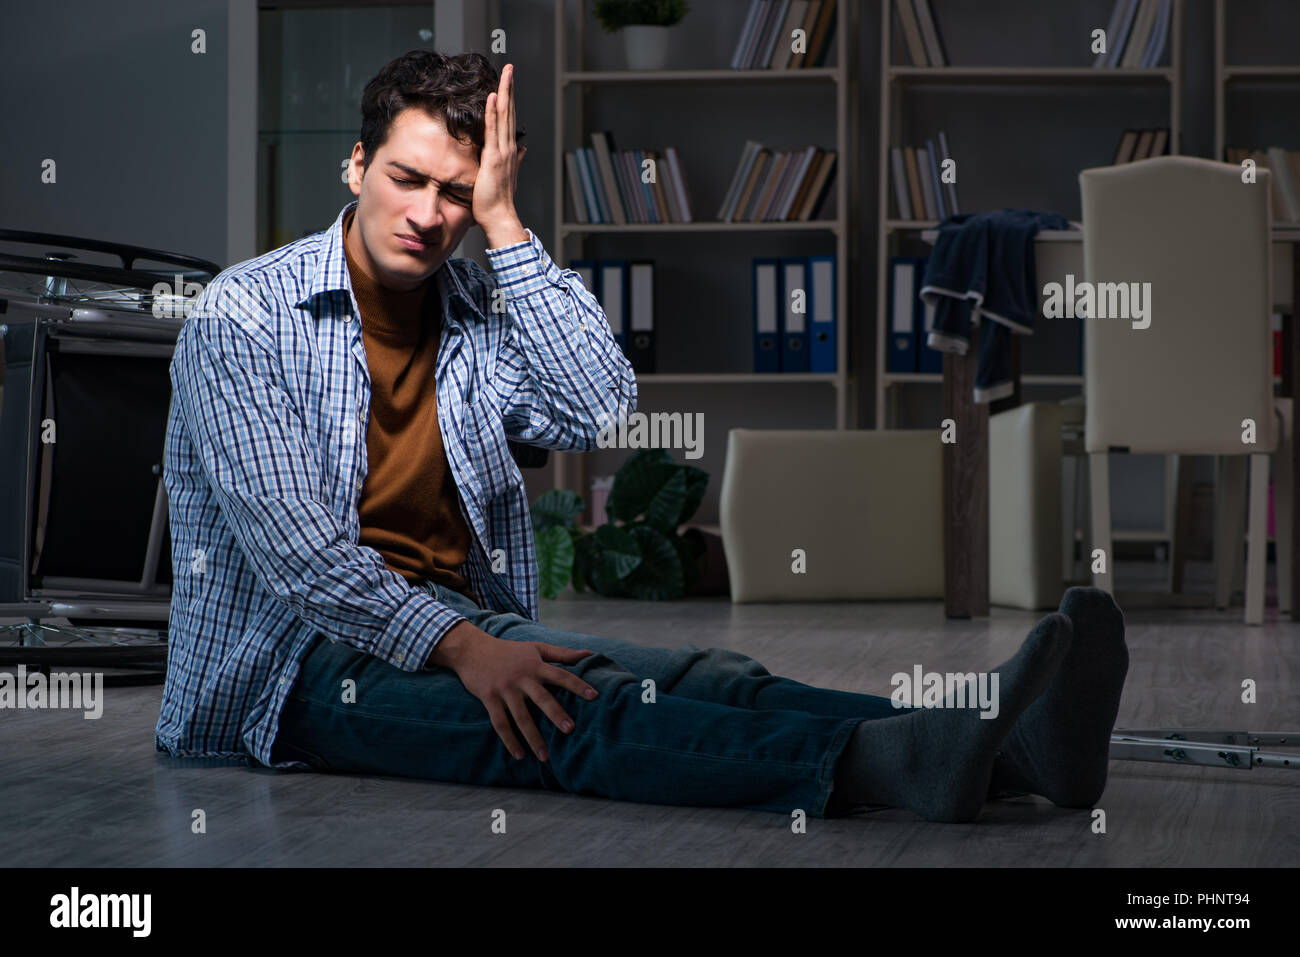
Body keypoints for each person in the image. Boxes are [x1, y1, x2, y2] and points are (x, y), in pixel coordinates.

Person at [158, 51, 1129, 822]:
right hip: (290, 673)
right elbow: (301, 560)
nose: (428, 215)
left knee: (706, 677)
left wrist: (505, 227)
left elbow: (594, 406)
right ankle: (897, 766)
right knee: (584, 716)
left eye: (458, 193)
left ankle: (998, 746)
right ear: (357, 165)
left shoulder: (469, 309)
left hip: (454, 624)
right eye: (409, 179)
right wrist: (463, 647)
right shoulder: (244, 316)